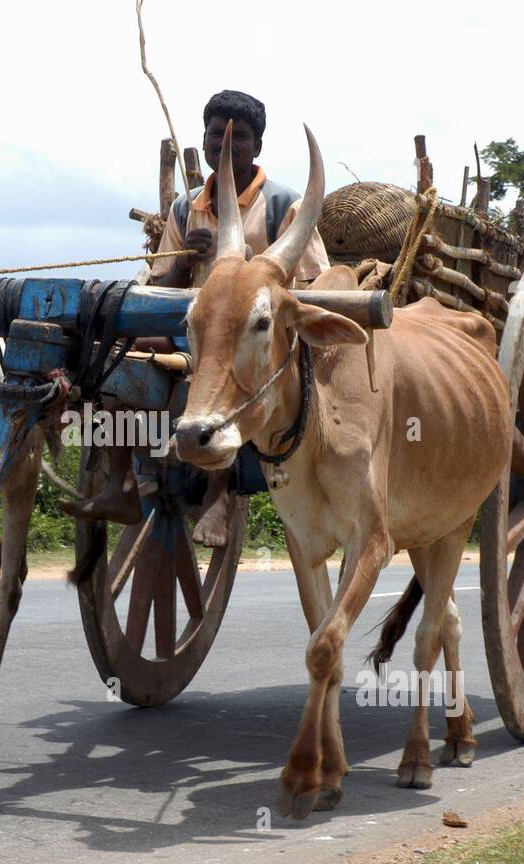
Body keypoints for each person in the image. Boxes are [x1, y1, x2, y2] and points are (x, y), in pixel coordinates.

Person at [61, 90, 330, 546]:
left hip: (257, 347)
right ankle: (121, 482)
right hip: (189, 334)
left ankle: (218, 495)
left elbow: (316, 283)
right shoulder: (185, 210)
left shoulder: (286, 205)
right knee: (116, 357)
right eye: (215, 134)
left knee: (218, 369)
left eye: (238, 136)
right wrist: (187, 263)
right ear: (204, 141)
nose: (226, 144)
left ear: (256, 146)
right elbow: (157, 287)